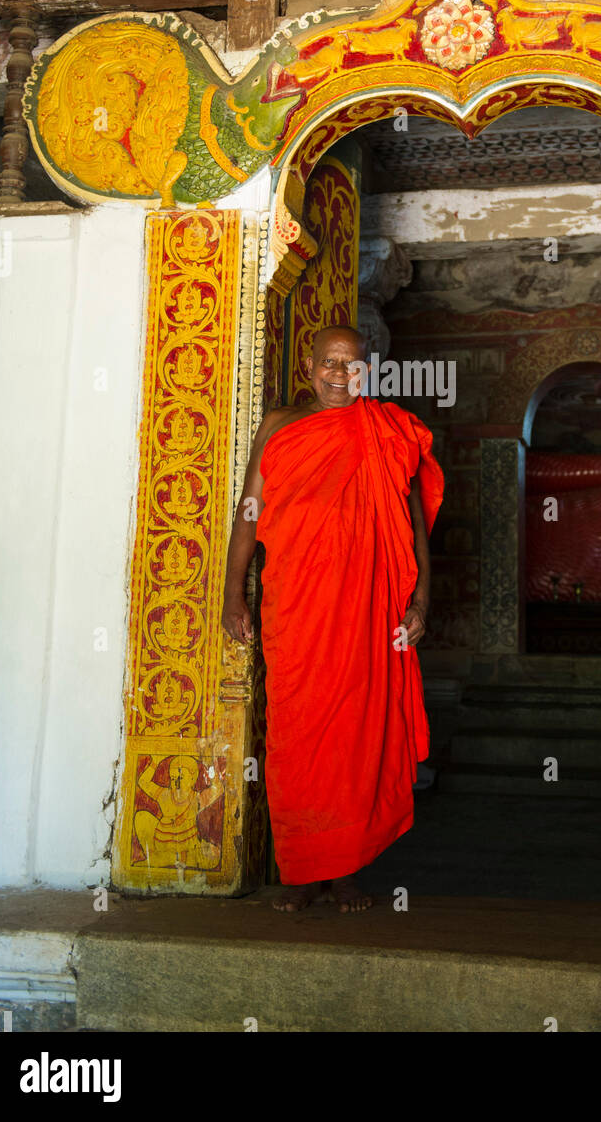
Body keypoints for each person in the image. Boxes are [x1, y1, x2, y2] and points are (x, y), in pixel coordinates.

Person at [222, 325, 443, 912]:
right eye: (330, 362)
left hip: (368, 609)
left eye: (352, 364)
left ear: (368, 371)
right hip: (296, 605)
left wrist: (419, 601)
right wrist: (231, 593)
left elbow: (415, 525)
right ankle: (299, 872)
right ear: (309, 364)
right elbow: (249, 513)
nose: (340, 375)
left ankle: (346, 871)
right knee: (297, 736)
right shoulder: (279, 426)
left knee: (355, 737)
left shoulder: (389, 431)